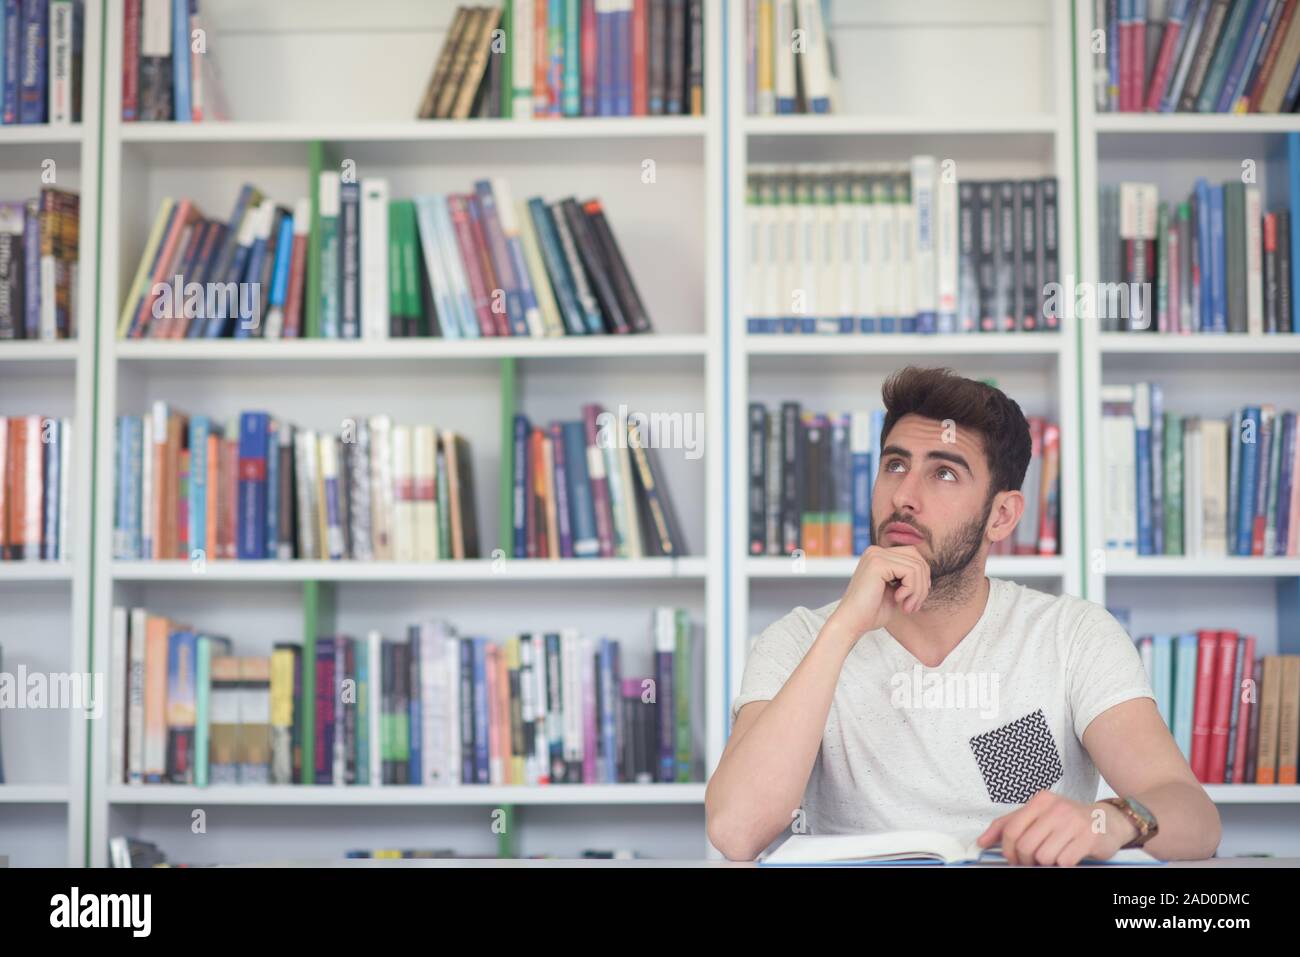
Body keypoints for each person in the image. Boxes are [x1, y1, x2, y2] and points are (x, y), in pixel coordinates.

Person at [706, 366, 1221, 865]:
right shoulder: (798, 640)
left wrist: (1112, 819)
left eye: (944, 473)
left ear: (1002, 515)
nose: (904, 498)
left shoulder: (1073, 635)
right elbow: (736, 831)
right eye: (896, 465)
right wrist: (844, 628)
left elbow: (1193, 816)